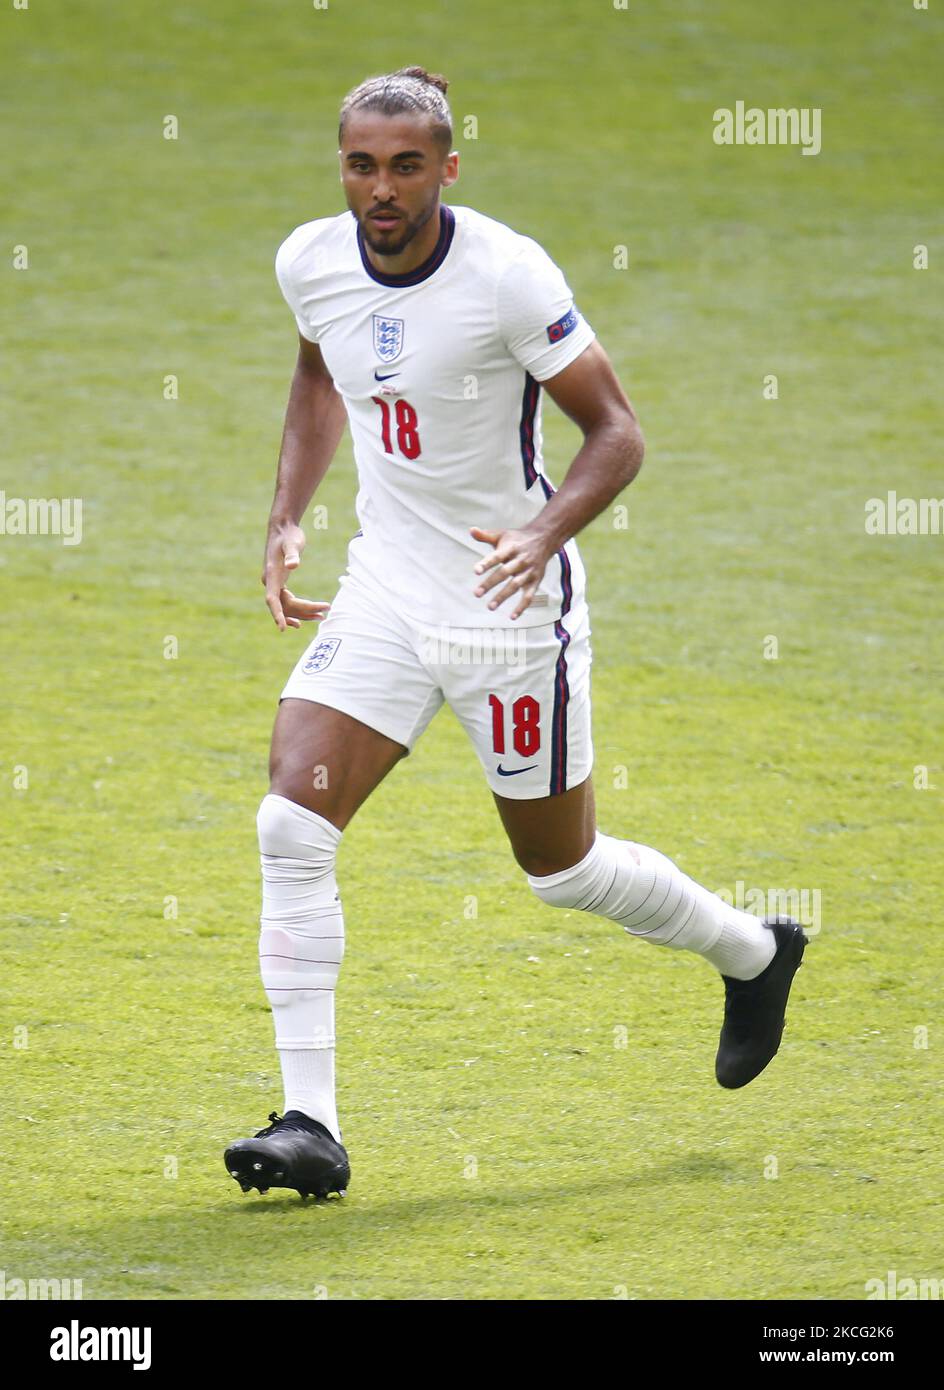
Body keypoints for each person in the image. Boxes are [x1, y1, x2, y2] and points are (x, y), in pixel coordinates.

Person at [223, 67, 806, 1201]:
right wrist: (288, 514)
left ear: (447, 166)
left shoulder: (505, 273)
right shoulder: (310, 259)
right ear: (338, 163)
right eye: (359, 163)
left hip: (506, 608)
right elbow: (319, 372)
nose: (379, 189)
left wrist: (540, 537)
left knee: (560, 869)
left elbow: (617, 433)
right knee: (289, 821)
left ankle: (751, 951)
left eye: (403, 165)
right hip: (388, 588)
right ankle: (310, 1125)